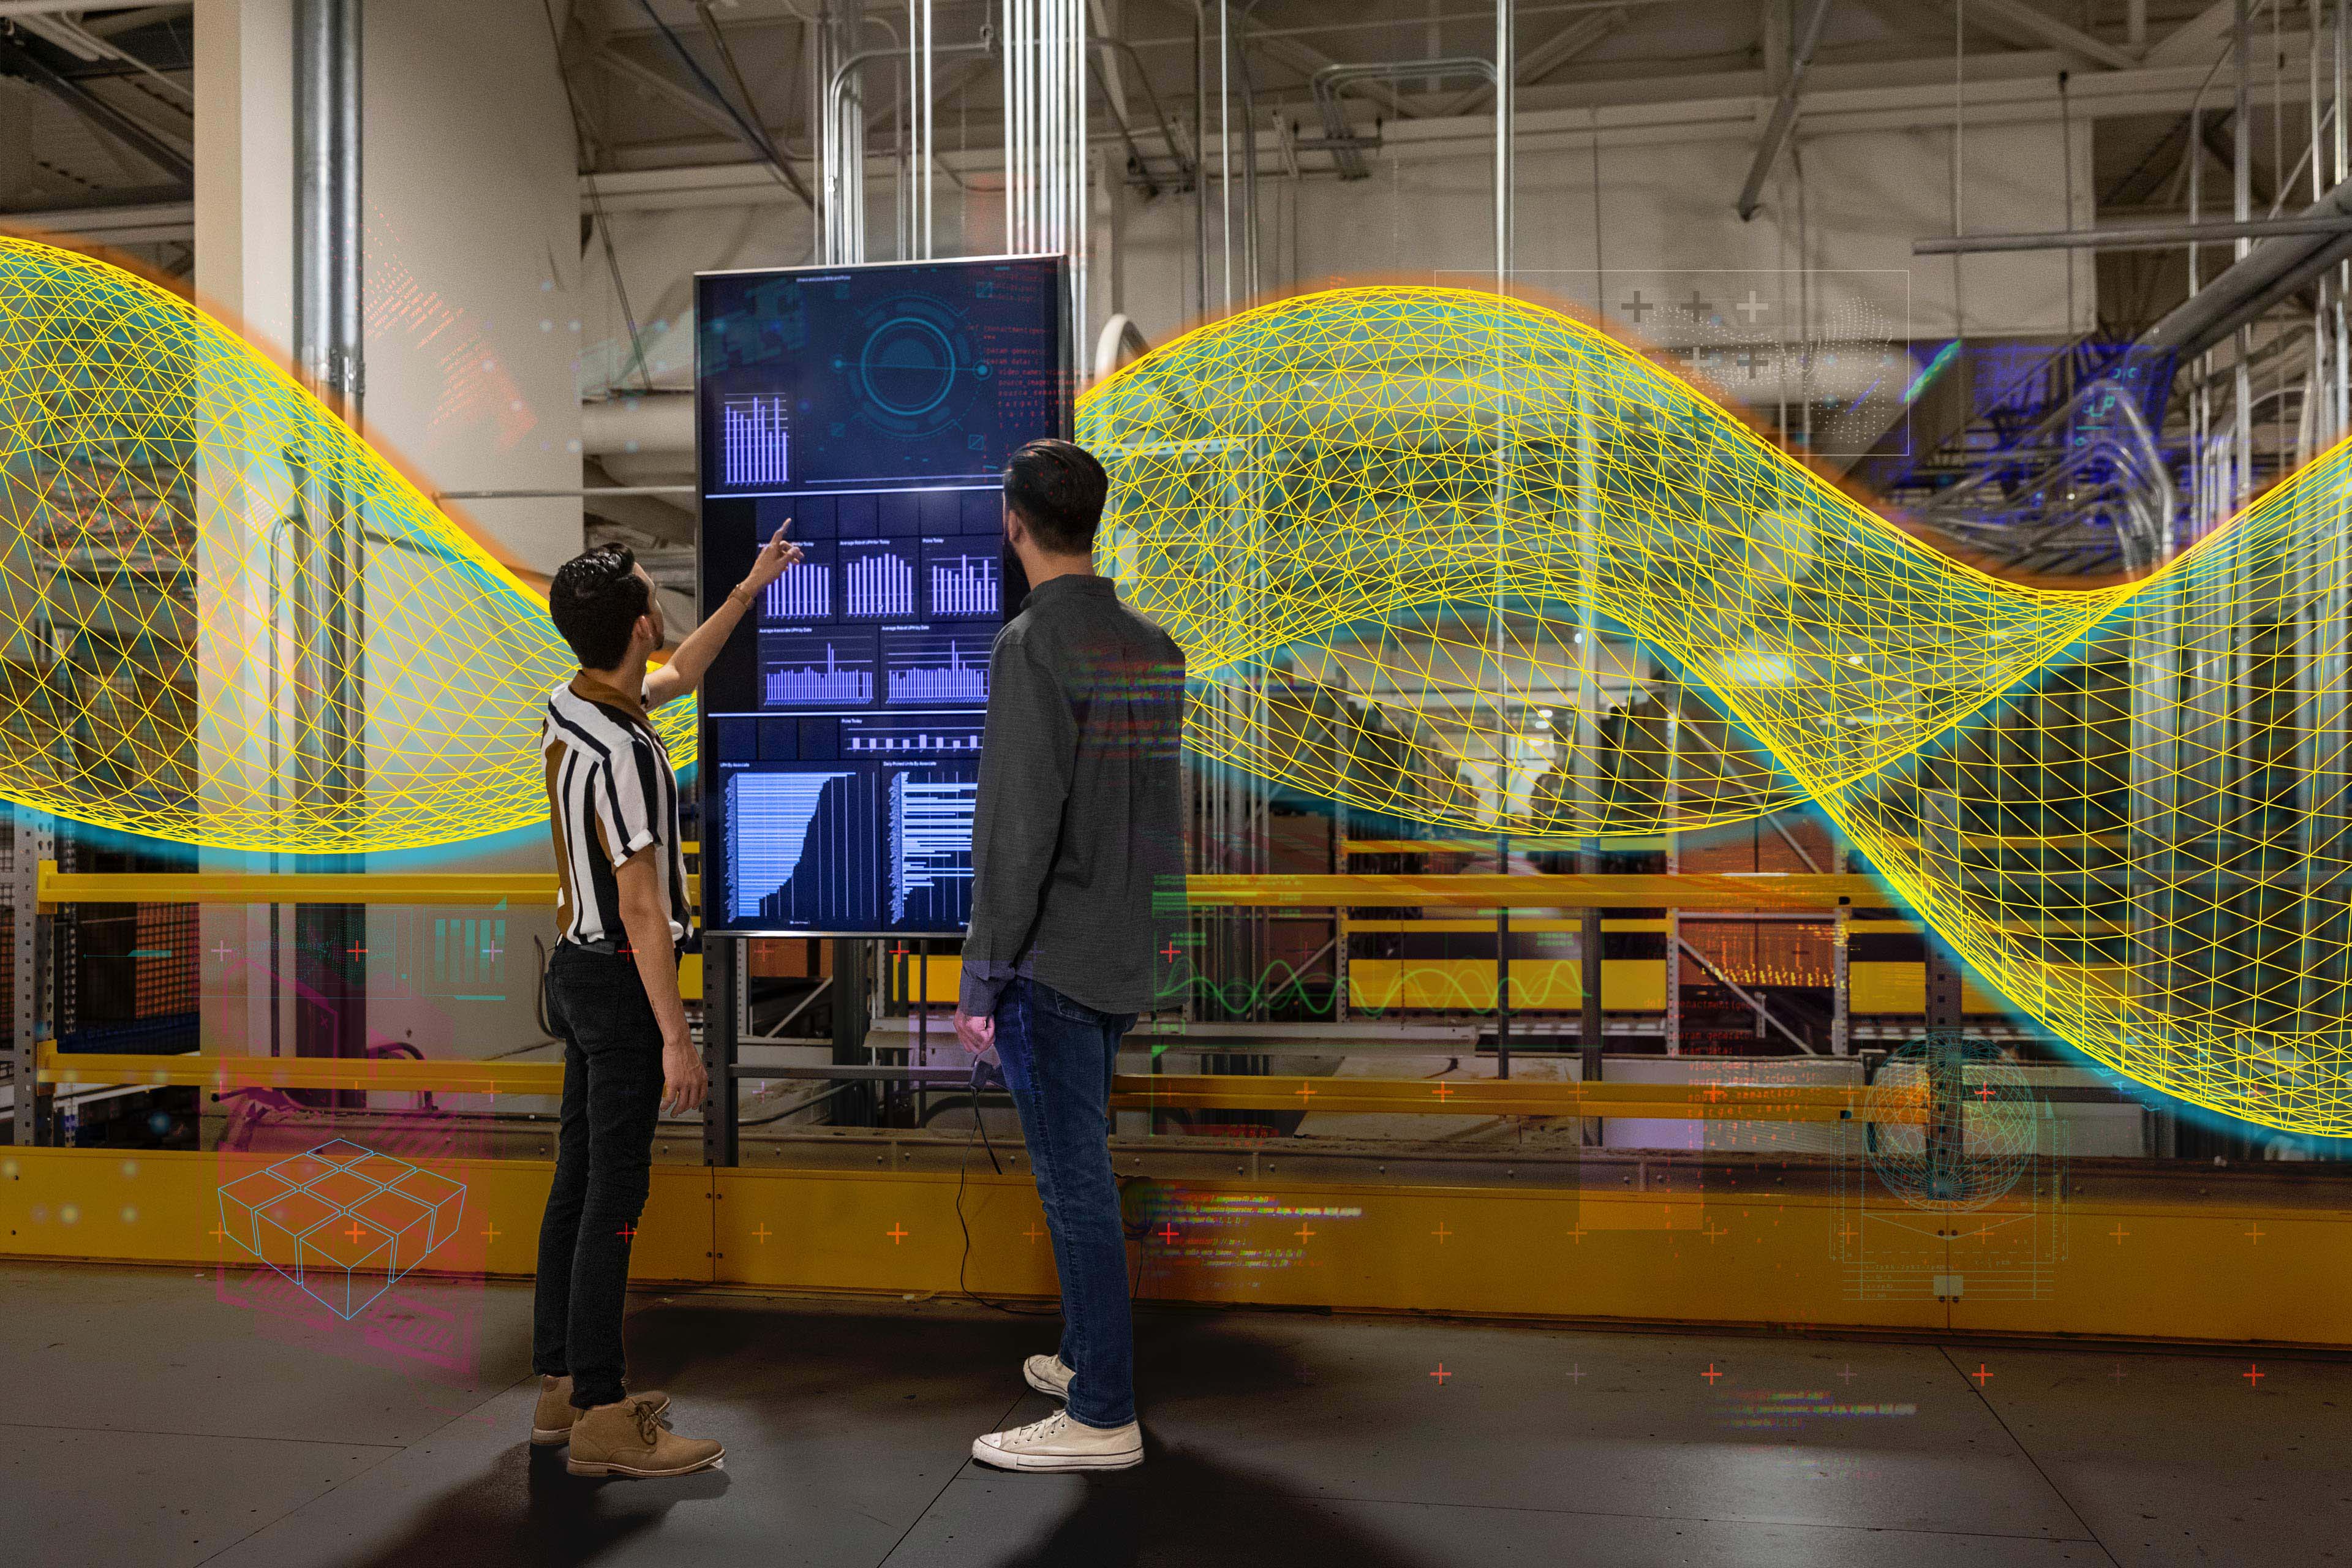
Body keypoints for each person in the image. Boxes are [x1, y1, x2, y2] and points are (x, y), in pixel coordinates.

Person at [530, 527, 800, 1478]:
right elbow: (645, 911)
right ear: (642, 620)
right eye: (657, 601)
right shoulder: (632, 757)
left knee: (576, 1182)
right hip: (618, 982)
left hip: (573, 967)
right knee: (615, 1195)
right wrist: (677, 1041)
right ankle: (604, 1415)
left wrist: (747, 588)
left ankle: (563, 1386)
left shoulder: (577, 702)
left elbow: (677, 673)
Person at [954, 439, 1186, 1473]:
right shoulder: (1153, 647)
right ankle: (1089, 1355)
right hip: (1123, 952)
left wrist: (982, 974)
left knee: (1074, 1184)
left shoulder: (1029, 646)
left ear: (1013, 525)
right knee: (1086, 1168)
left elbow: (1017, 828)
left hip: (1049, 960)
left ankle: (1101, 1413)